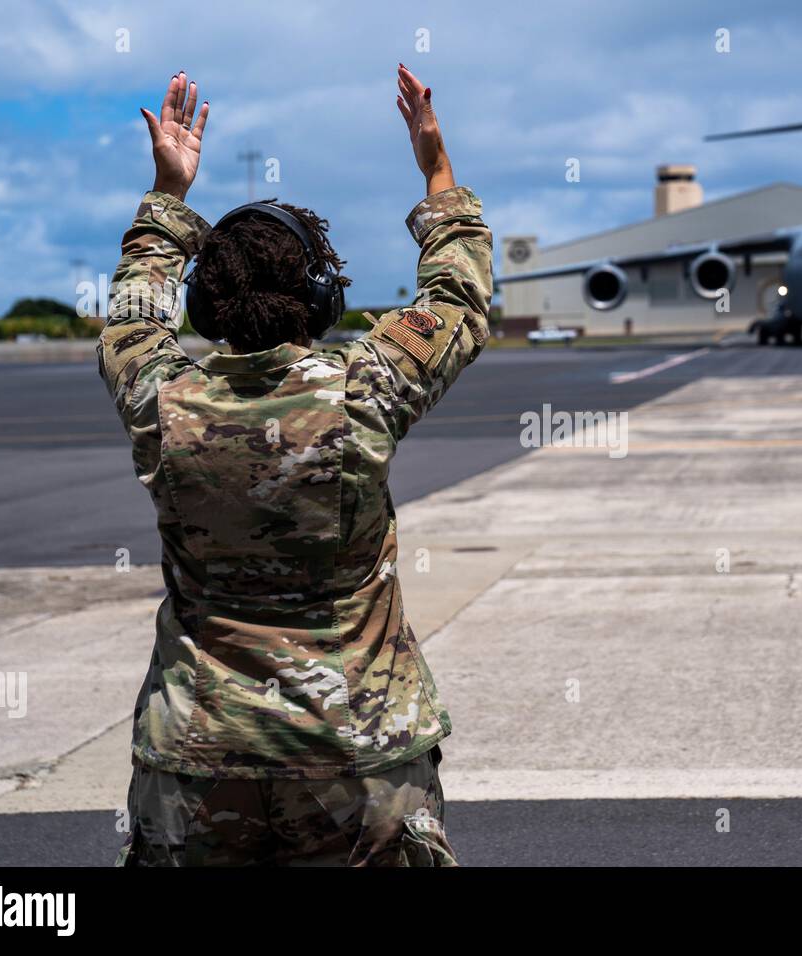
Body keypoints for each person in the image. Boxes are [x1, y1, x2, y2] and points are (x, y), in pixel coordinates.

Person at [97, 67, 491, 866]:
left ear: (206, 307)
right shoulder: (364, 389)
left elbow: (135, 309)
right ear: (321, 298)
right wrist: (437, 174)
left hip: (198, 762)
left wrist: (168, 194)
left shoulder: (161, 397)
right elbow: (457, 297)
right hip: (355, 761)